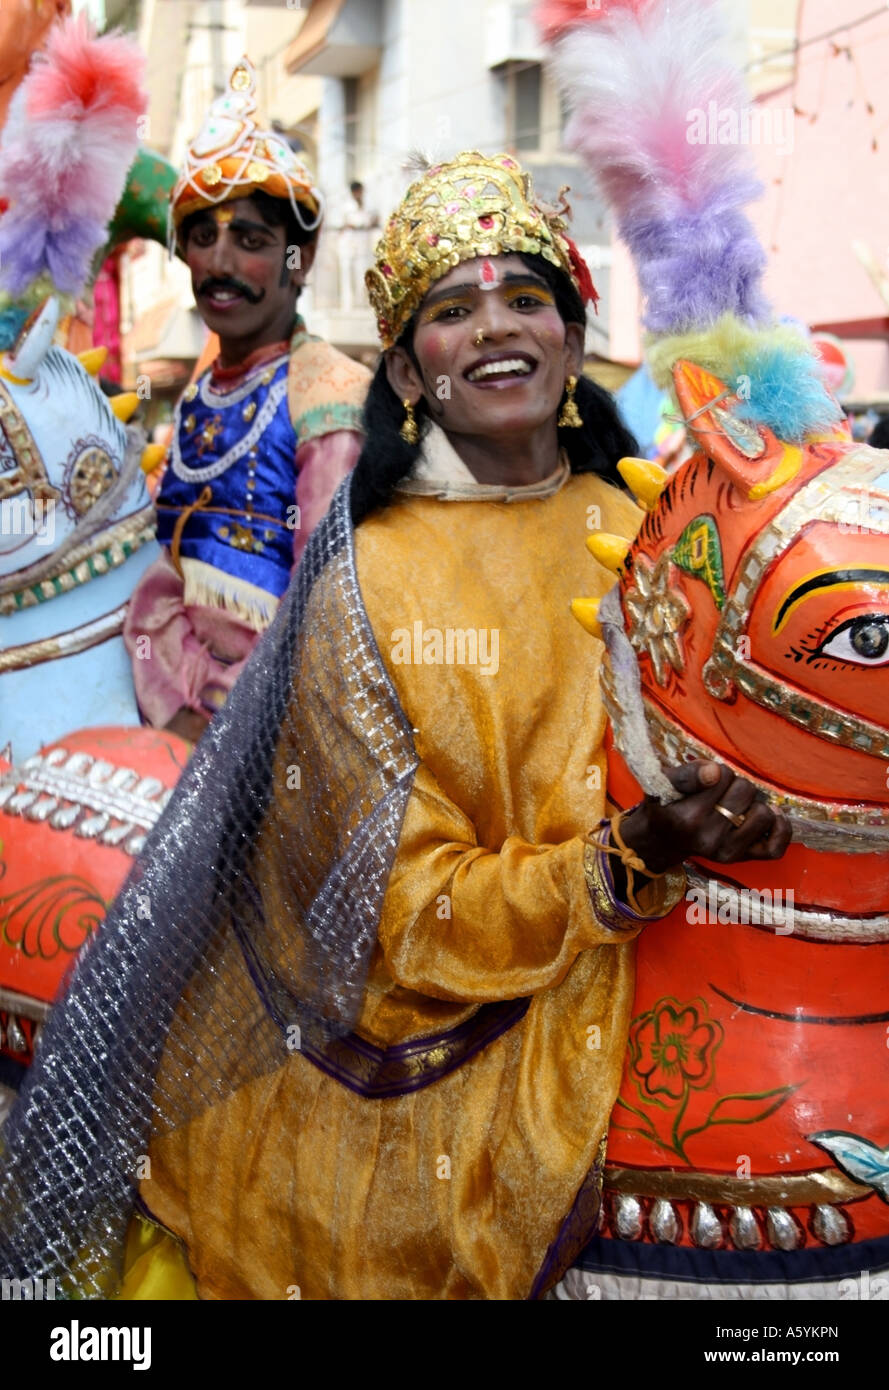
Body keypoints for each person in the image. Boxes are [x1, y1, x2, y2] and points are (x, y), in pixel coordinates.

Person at [0, 152, 790, 1301]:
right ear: (410, 373)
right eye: (451, 310)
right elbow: (404, 911)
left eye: (526, 298)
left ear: (572, 340)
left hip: (676, 963)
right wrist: (633, 860)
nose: (493, 329)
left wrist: (747, 817)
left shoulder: (642, 519)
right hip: (446, 1024)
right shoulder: (365, 576)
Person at [123, 58, 371, 743]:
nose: (222, 263)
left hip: (275, 737)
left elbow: (323, 614)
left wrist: (216, 725)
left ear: (302, 259)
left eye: (252, 241)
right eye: (203, 238)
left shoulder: (329, 395)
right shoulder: (201, 393)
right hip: (174, 705)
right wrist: (172, 697)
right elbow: (165, 574)